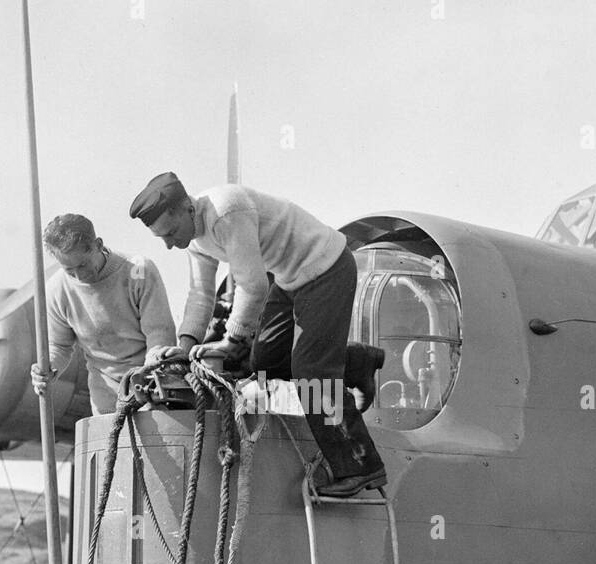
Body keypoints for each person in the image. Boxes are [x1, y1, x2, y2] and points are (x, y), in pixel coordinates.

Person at [129, 173, 385, 497]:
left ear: (187, 209)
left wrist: (231, 341)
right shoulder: (194, 238)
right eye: (161, 238)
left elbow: (253, 286)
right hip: (292, 278)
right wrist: (185, 346)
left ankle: (360, 466)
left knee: (313, 372)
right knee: (262, 363)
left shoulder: (226, 211)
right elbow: (199, 295)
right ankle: (356, 361)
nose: (168, 244)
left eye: (170, 233)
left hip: (327, 268)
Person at [29, 213, 176, 415]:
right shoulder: (56, 290)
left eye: (83, 265)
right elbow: (60, 346)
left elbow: (159, 333)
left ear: (98, 245)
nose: (79, 276)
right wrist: (48, 368)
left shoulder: (138, 270)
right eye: (69, 270)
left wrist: (150, 379)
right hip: (103, 391)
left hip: (150, 382)